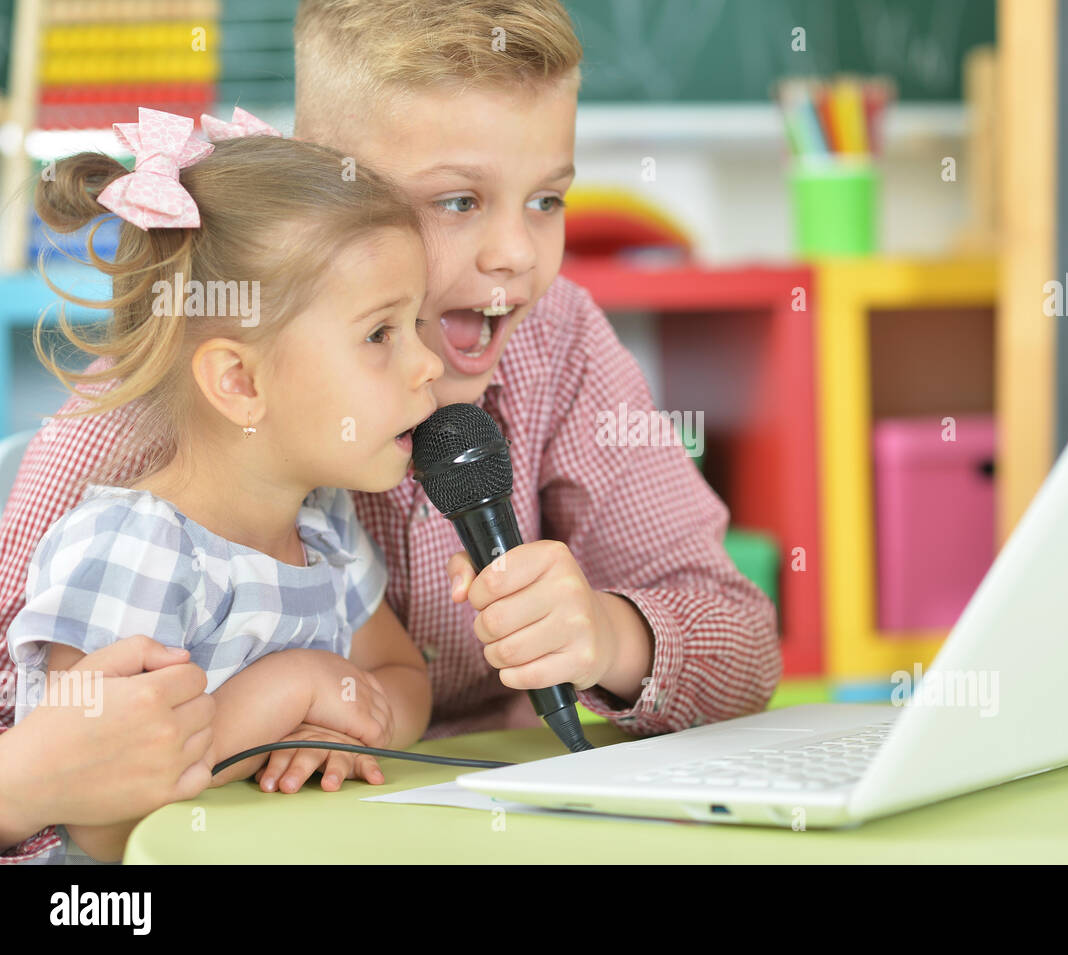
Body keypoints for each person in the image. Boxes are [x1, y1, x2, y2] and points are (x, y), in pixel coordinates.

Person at [0, 0, 780, 865]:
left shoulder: (559, 340)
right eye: (456, 200)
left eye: (547, 199)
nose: (516, 255)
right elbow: (41, 778)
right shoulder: (134, 417)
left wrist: (608, 634)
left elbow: (743, 643)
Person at [2, 112, 438, 862]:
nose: (429, 364)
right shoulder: (132, 549)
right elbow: (102, 822)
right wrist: (288, 691)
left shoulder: (323, 527)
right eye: (380, 334)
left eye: (417, 324)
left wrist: (342, 725)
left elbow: (402, 679)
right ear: (239, 381)